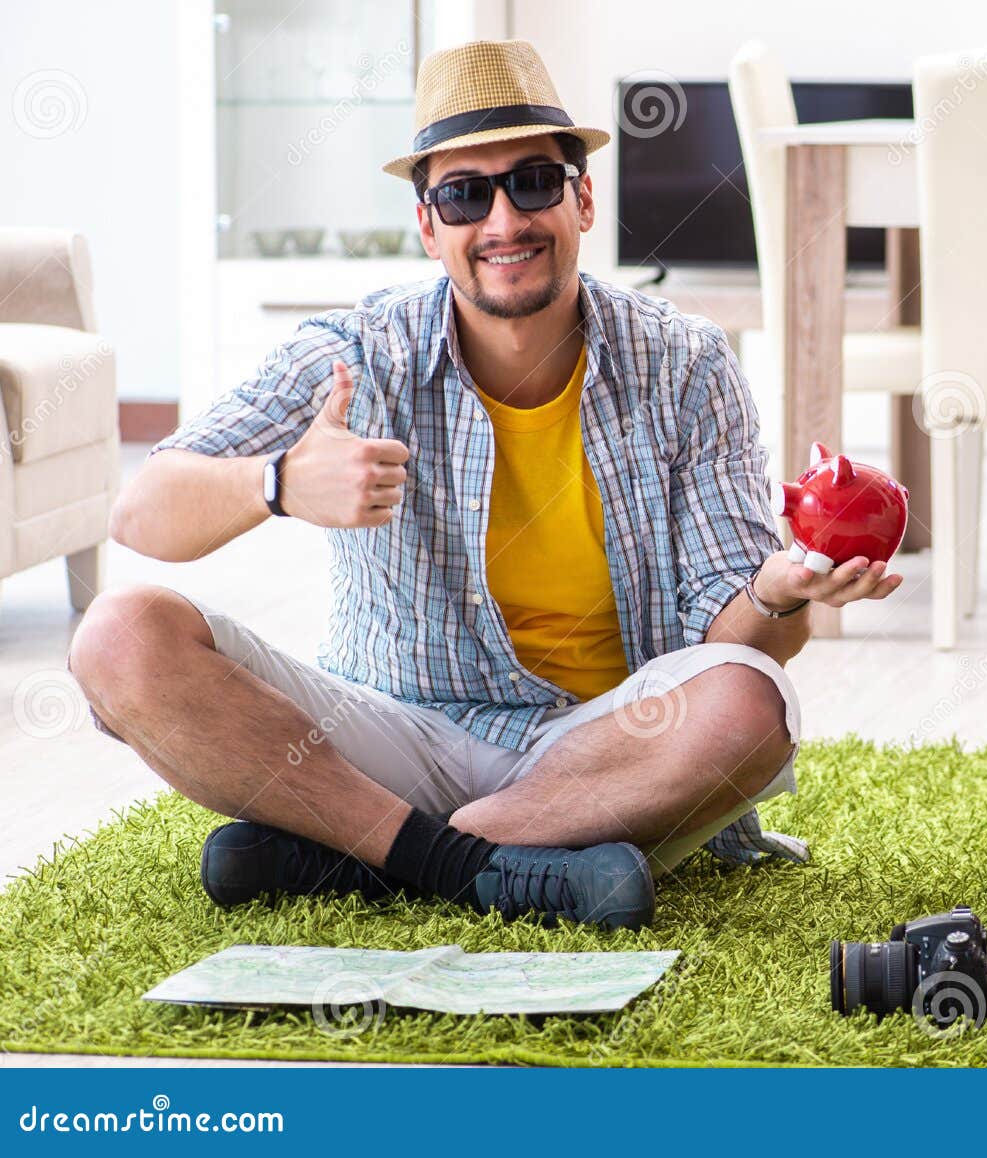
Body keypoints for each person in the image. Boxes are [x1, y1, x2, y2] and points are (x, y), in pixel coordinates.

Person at [69, 39, 901, 931]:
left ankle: (377, 854)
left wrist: (778, 597)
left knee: (749, 696)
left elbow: (728, 643)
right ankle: (495, 866)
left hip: (608, 749)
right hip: (392, 732)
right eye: (466, 194)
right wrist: (276, 483)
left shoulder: (686, 363)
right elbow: (140, 513)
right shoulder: (362, 352)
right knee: (117, 636)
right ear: (429, 226)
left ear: (583, 197)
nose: (504, 220)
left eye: (534, 182)